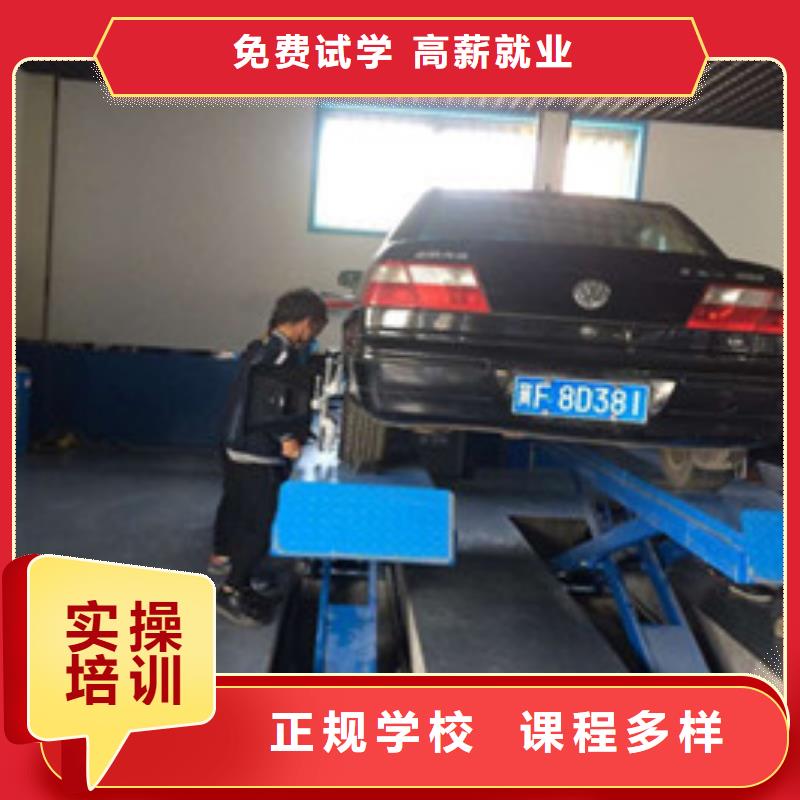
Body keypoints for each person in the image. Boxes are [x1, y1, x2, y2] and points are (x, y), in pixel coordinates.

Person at [212, 288, 328, 625]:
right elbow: (265, 402)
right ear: (306, 323)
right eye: (315, 329)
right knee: (259, 525)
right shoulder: (279, 353)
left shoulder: (263, 347)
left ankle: (242, 582)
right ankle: (232, 591)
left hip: (240, 447)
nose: (312, 337)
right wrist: (285, 437)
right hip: (256, 452)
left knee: (245, 517)